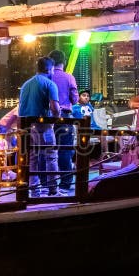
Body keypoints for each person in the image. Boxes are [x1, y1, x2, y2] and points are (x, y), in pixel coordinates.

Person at [18, 56, 62, 197]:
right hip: (43, 127)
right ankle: (53, 190)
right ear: (49, 69)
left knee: (32, 158)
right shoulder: (50, 84)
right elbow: (55, 108)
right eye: (53, 70)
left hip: (25, 128)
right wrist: (55, 120)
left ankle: (35, 191)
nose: (54, 72)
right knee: (51, 157)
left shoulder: (25, 85)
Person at [48, 49, 78, 193]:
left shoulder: (47, 77)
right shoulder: (69, 77)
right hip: (65, 117)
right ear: (64, 62)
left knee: (46, 150)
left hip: (47, 118)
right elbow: (75, 99)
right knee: (65, 149)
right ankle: (65, 184)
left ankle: (46, 183)